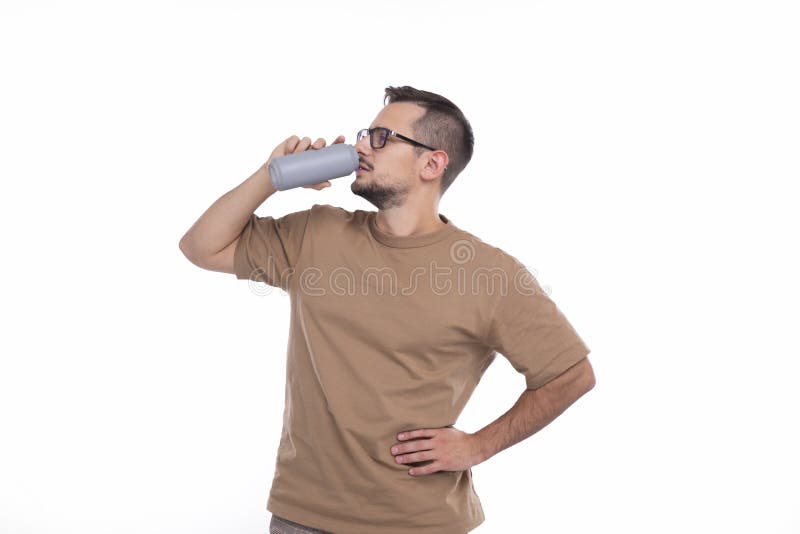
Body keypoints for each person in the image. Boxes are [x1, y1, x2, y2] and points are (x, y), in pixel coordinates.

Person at [179, 86, 596, 534]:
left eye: (381, 137)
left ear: (432, 163)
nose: (361, 146)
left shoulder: (488, 273)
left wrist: (478, 446)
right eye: (366, 133)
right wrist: (271, 175)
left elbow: (572, 374)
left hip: (418, 522)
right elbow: (201, 247)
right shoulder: (317, 234)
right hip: (303, 516)